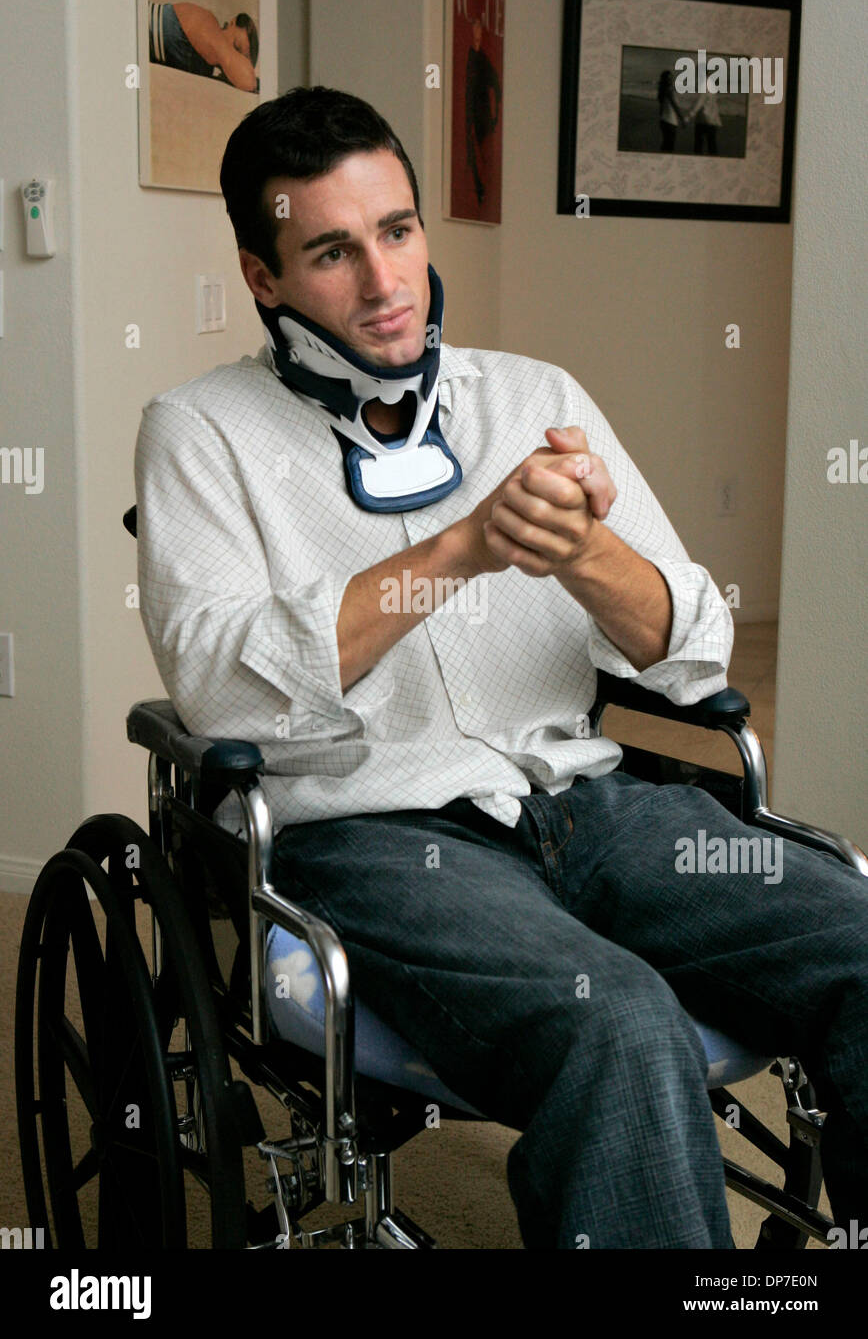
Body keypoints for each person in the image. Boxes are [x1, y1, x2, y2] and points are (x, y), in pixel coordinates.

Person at [135, 86, 868, 1250]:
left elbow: (690, 653)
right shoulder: (198, 430)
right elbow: (220, 688)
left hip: (589, 804)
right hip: (373, 836)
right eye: (331, 251)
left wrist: (584, 551)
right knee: (616, 1020)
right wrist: (460, 548)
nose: (386, 281)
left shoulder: (535, 397)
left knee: (854, 935)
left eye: (397, 230)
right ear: (262, 277)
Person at [148, 0, 259, 92]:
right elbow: (248, 81)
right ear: (232, 23)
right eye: (236, 46)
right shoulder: (207, 23)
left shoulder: (207, 67)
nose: (237, 59)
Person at [465, 17, 501, 205]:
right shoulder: (470, 57)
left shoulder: (483, 59)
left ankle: (484, 190)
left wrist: (494, 115)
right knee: (473, 155)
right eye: (475, 30)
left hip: (484, 117)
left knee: (485, 157)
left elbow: (496, 85)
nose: (477, 34)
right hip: (472, 116)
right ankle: (480, 189)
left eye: (479, 30)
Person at [657, 69, 690, 151]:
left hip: (664, 120)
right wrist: (682, 119)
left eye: (671, 78)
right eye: (669, 78)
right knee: (669, 146)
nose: (671, 80)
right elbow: (675, 106)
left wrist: (661, 117)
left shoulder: (662, 90)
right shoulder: (669, 91)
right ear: (665, 80)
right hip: (670, 121)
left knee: (665, 144)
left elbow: (662, 107)